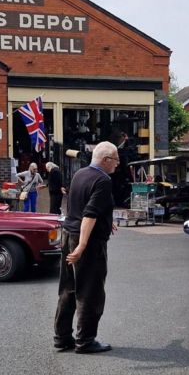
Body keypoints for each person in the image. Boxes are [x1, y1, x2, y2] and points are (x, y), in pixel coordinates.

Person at [53, 141, 119, 354]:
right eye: (116, 159)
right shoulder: (103, 180)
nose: (118, 164)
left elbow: (77, 206)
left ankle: (62, 338)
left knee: (68, 288)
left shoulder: (80, 174)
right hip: (88, 243)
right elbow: (89, 214)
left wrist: (108, 221)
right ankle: (85, 340)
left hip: (67, 233)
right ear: (106, 159)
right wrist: (82, 246)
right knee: (90, 291)